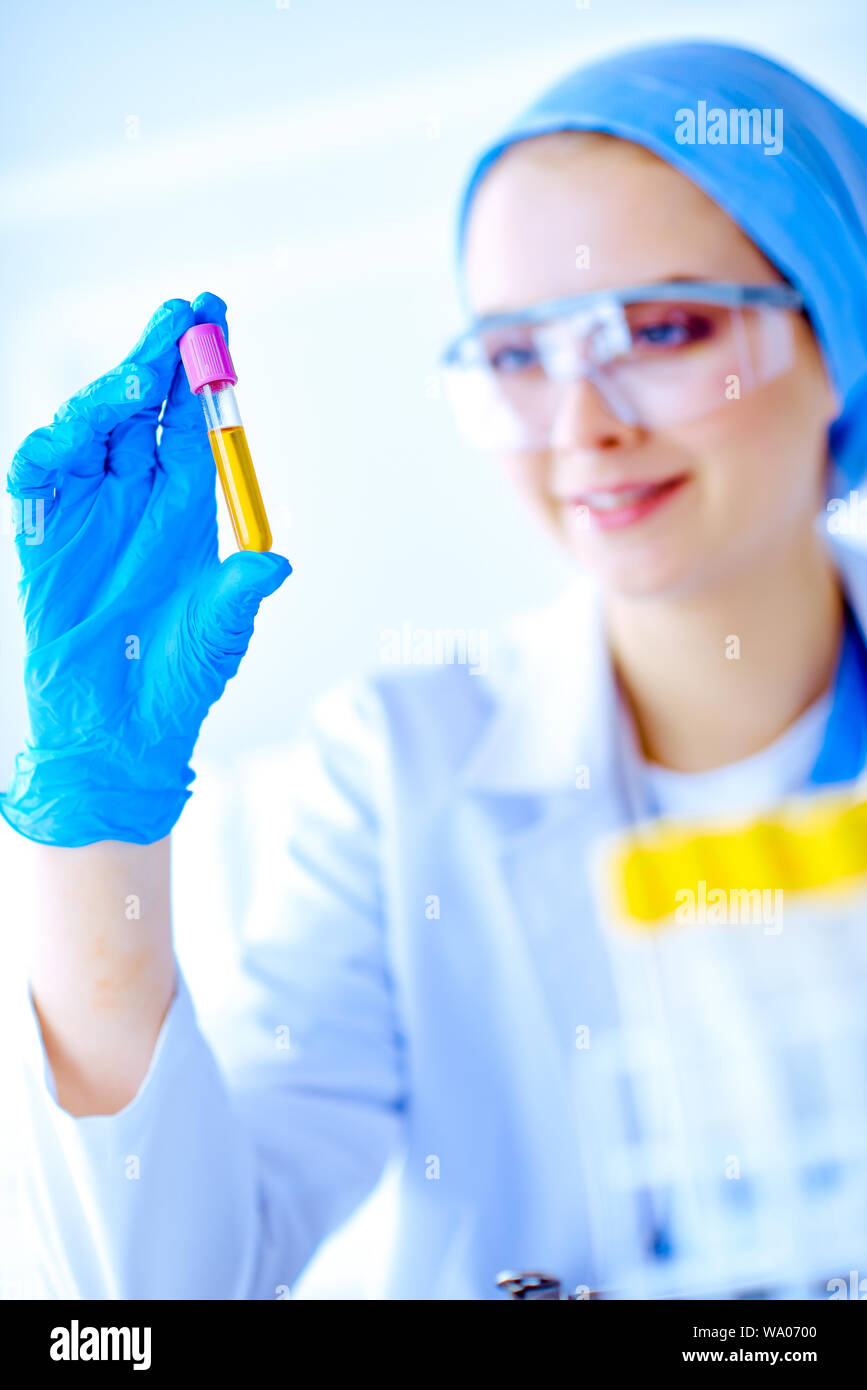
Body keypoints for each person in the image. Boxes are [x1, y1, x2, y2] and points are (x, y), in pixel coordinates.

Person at [6, 39, 867, 1300]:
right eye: (519, 356)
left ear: (838, 329)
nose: (585, 427)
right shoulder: (397, 776)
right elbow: (161, 1297)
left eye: (666, 328)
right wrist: (98, 832)